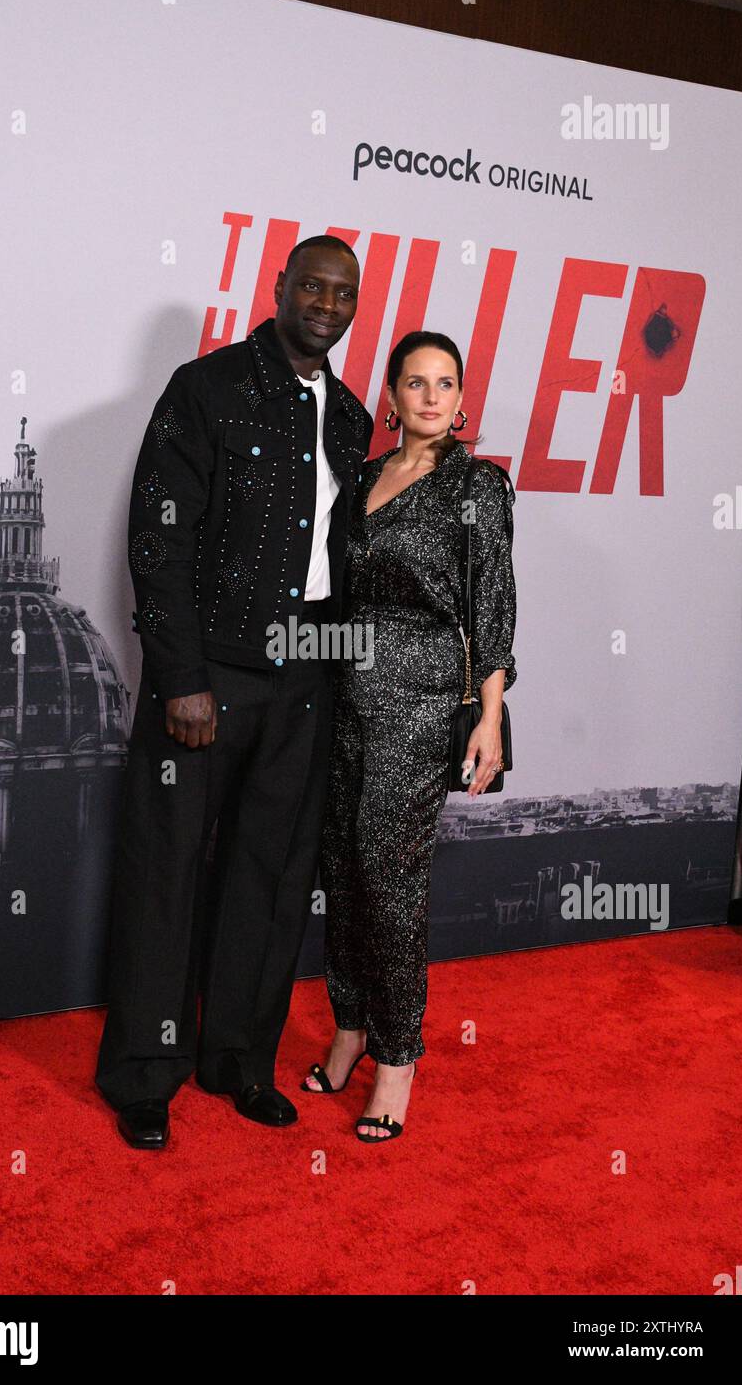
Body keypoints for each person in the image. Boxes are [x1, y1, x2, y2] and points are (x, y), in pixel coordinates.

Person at [95, 236, 374, 1148]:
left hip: (306, 684)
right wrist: (180, 678)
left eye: (343, 293)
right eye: (313, 287)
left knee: (272, 875)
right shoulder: (205, 389)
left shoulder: (352, 418)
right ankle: (146, 1073)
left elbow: (345, 563)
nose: (326, 305)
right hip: (207, 679)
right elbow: (158, 539)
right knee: (168, 871)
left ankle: (238, 1063)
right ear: (281, 288)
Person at [305, 331, 517, 1142]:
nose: (431, 397)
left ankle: (397, 1058)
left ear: (462, 400)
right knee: (344, 864)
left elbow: (491, 606)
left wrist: (490, 718)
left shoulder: (477, 488)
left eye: (446, 383)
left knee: (391, 880)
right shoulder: (359, 478)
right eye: (415, 383)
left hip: (422, 702)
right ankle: (350, 1026)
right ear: (390, 397)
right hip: (344, 695)